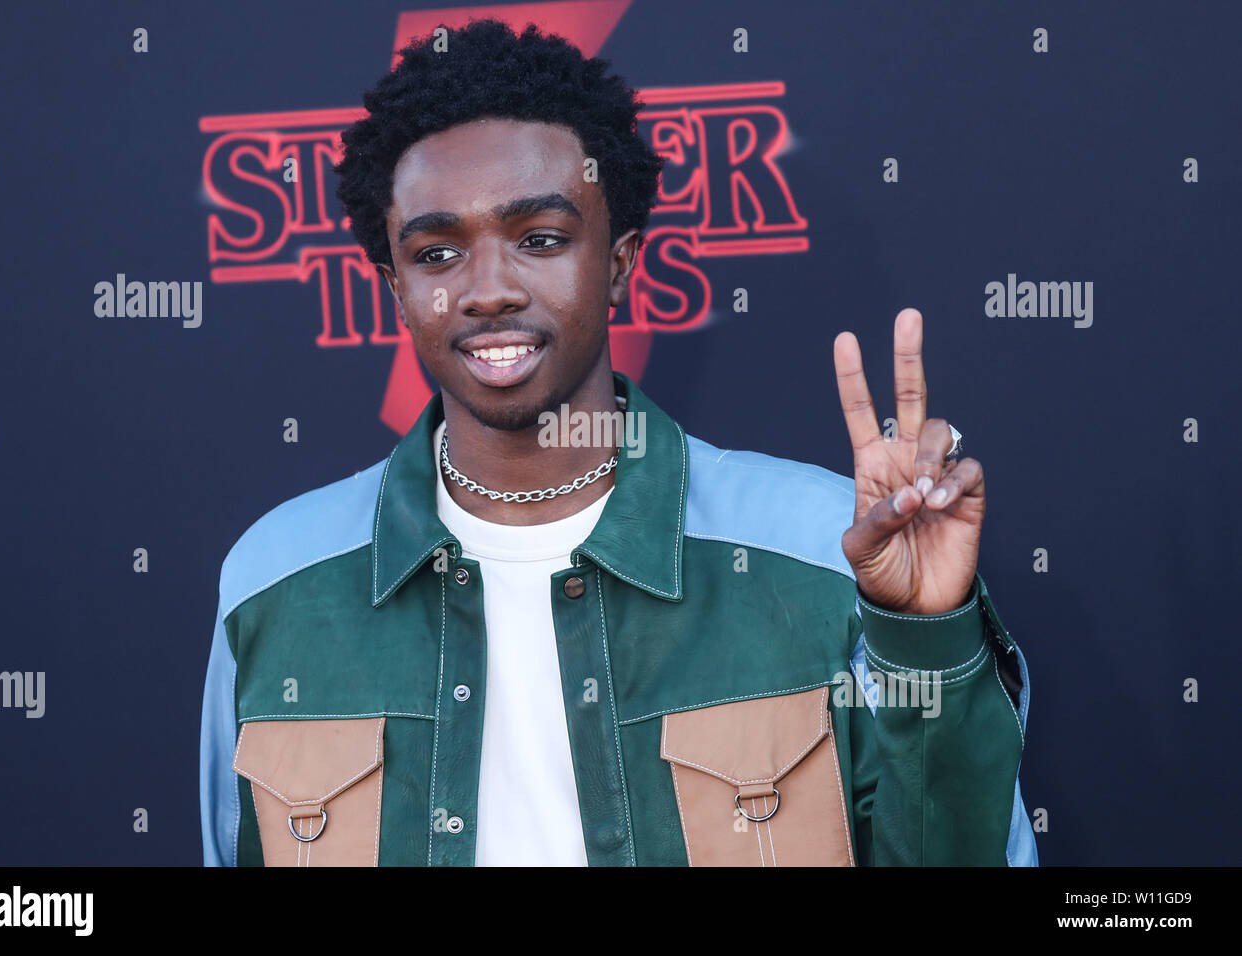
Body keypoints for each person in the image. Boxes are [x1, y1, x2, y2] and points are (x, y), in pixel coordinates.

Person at [199, 18, 1037, 867]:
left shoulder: (824, 548)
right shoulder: (274, 584)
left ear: (621, 262)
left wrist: (926, 639)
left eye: (540, 240)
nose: (487, 290)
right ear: (395, 287)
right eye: (438, 251)